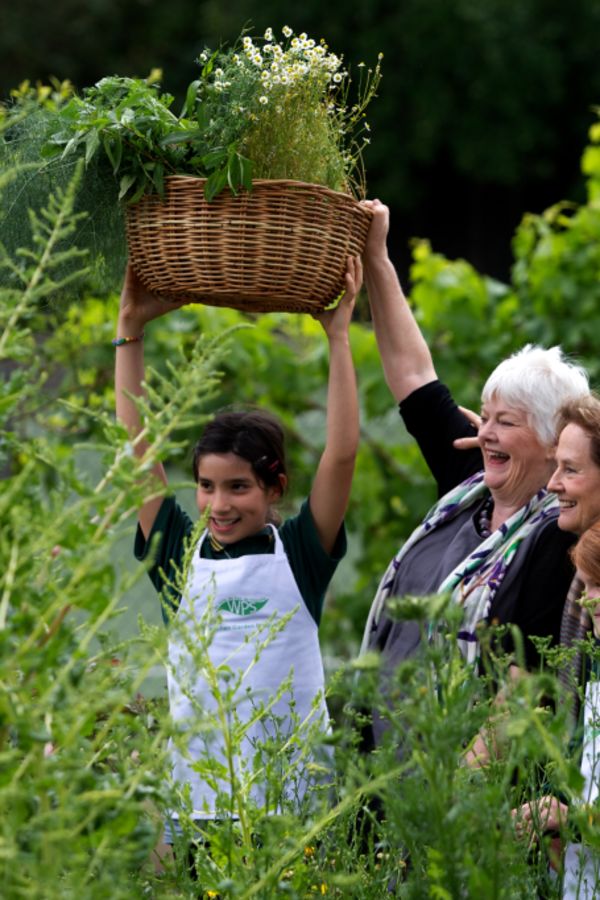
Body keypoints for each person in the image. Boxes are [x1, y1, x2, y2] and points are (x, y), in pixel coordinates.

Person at [114, 257, 362, 844]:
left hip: (293, 812)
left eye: (238, 487)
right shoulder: (178, 550)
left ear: (275, 487)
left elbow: (342, 454)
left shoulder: (300, 553)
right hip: (195, 811)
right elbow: (135, 449)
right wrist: (130, 328)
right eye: (206, 486)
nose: (219, 505)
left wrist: (339, 336)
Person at [358, 198, 590, 749]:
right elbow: (414, 375)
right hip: (382, 766)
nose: (483, 433)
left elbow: (527, 690)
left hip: (463, 789)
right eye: (483, 418)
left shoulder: (560, 536)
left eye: (504, 422)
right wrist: (375, 257)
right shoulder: (469, 485)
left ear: (554, 442)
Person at [513, 523, 600, 899]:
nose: (589, 601)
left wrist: (573, 820)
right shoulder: (593, 680)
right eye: (589, 586)